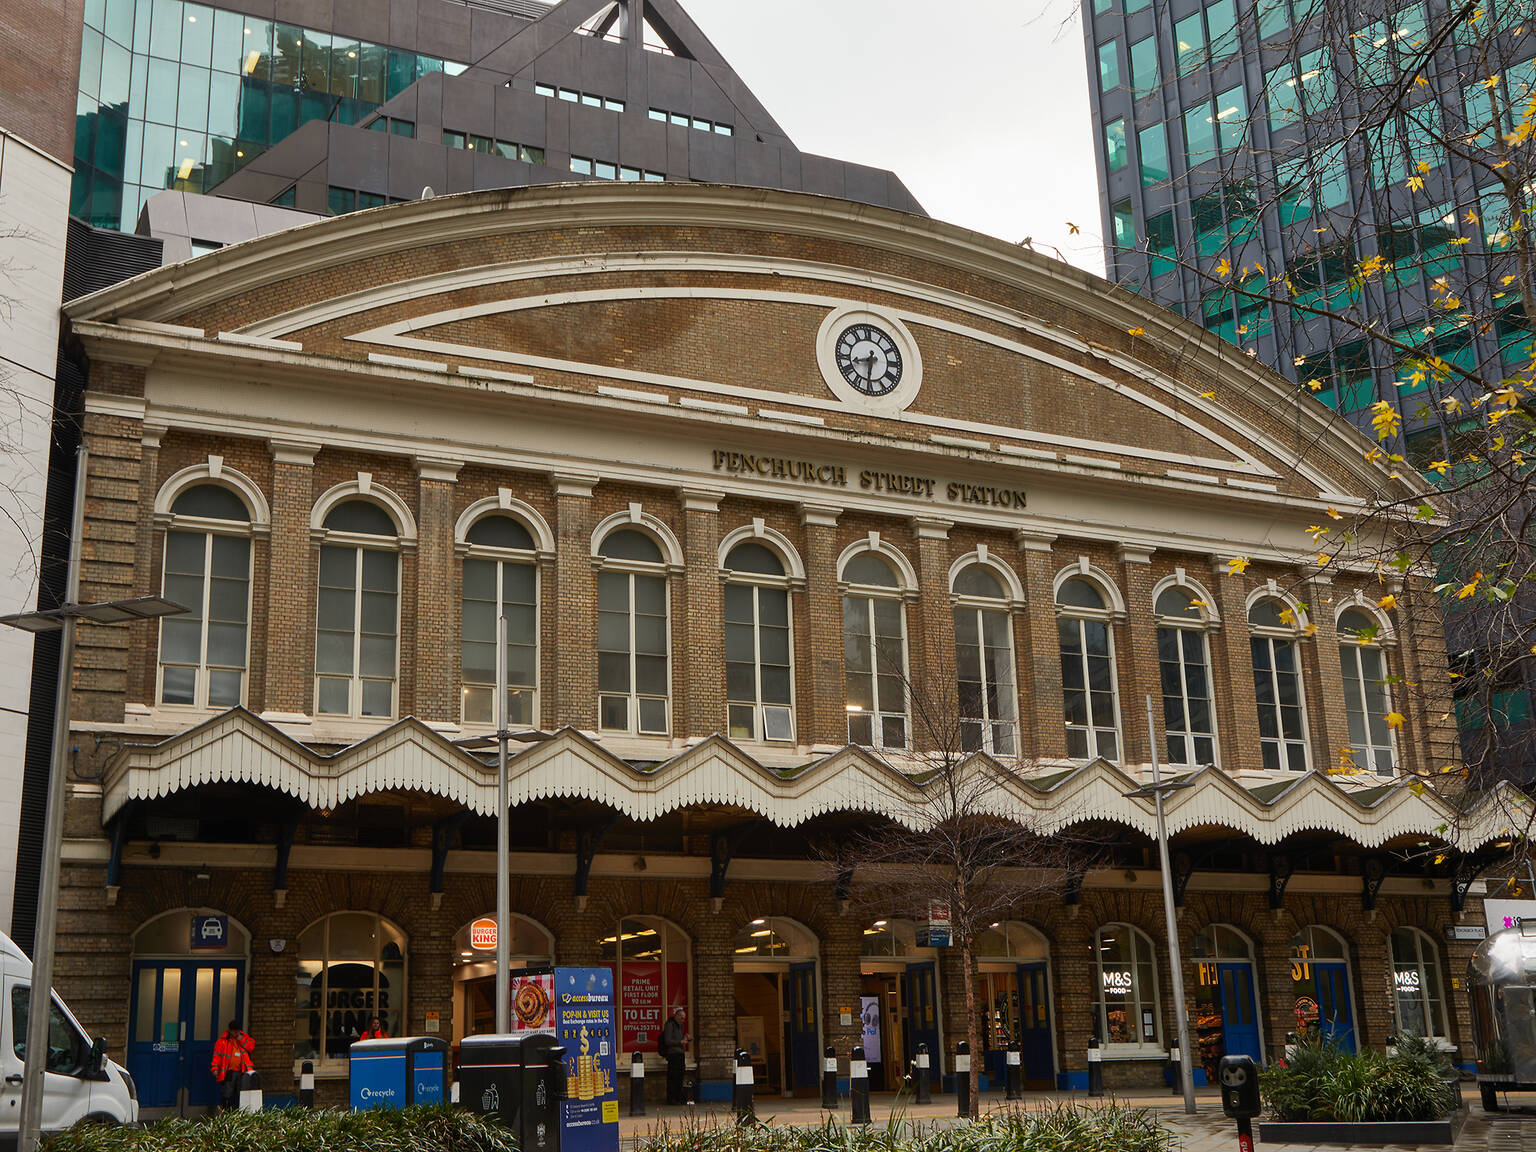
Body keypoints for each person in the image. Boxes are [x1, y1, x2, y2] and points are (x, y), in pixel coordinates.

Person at [211, 1020, 255, 1110]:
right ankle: (226, 1112)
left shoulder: (244, 1038)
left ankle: (239, 1113)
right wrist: (215, 1068)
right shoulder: (223, 1041)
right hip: (229, 1072)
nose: (235, 1033)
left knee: (241, 1094)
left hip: (242, 1072)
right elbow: (217, 1056)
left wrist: (241, 1039)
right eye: (234, 1031)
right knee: (227, 1094)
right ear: (230, 1030)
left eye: (237, 1031)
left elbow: (251, 1047)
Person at [659, 1006, 689, 1105]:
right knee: (673, 1077)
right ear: (676, 1016)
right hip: (673, 1054)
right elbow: (668, 1041)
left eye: (684, 1018)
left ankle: (678, 1097)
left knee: (680, 1076)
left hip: (680, 1054)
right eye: (681, 1018)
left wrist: (686, 1038)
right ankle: (672, 1098)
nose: (683, 1020)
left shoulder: (679, 1026)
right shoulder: (670, 1025)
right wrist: (680, 1042)